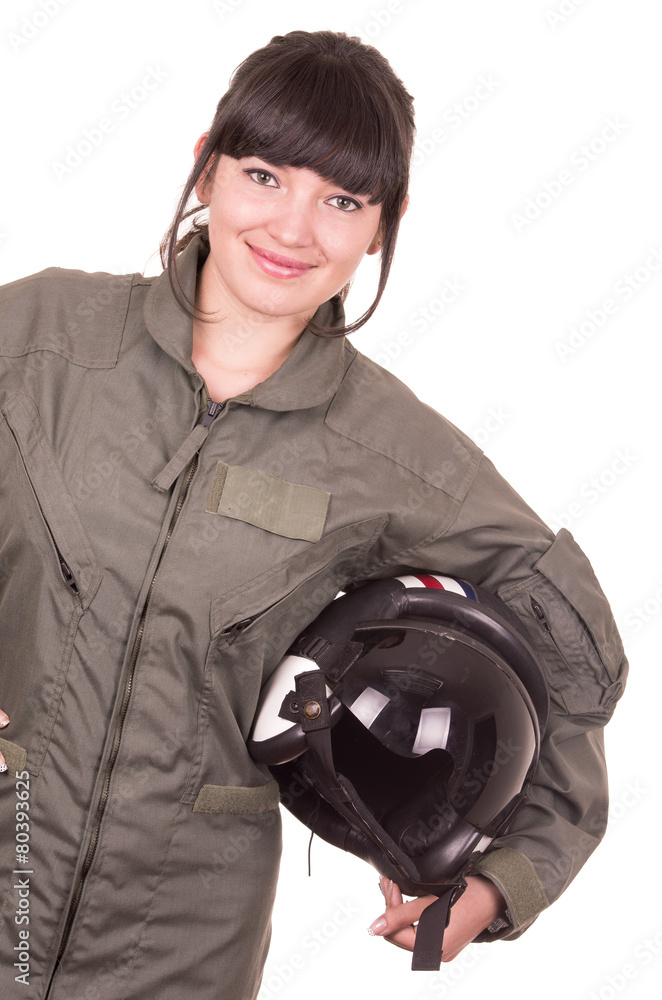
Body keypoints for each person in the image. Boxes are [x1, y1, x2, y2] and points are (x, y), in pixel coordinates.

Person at [0, 28, 627, 1000]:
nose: (294, 228)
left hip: (179, 953)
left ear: (383, 222)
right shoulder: (39, 338)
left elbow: (567, 658)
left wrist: (498, 878)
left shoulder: (393, 451)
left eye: (341, 199)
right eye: (264, 175)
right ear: (206, 164)